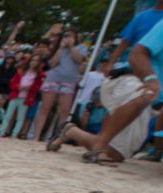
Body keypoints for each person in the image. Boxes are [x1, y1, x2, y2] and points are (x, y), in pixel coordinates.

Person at [49, 19, 163, 164]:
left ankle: (71, 131)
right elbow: (136, 54)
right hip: (132, 80)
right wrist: (151, 79)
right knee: (145, 94)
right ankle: (100, 144)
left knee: (115, 154)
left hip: (151, 96)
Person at [31, 27, 86, 142]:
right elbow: (53, 64)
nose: (67, 38)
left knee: (64, 111)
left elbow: (79, 60)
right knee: (45, 108)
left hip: (69, 81)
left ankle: (58, 138)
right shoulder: (57, 48)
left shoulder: (81, 47)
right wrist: (60, 48)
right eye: (65, 35)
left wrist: (71, 46)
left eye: (70, 35)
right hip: (53, 79)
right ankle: (36, 136)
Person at [0, 54, 43, 138]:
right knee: (8, 115)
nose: (33, 62)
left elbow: (37, 87)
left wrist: (28, 87)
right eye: (33, 60)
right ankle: (2, 131)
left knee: (20, 117)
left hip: (26, 98)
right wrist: (17, 86)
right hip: (15, 95)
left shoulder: (39, 75)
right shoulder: (21, 71)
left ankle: (14, 134)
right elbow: (12, 83)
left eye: (36, 61)